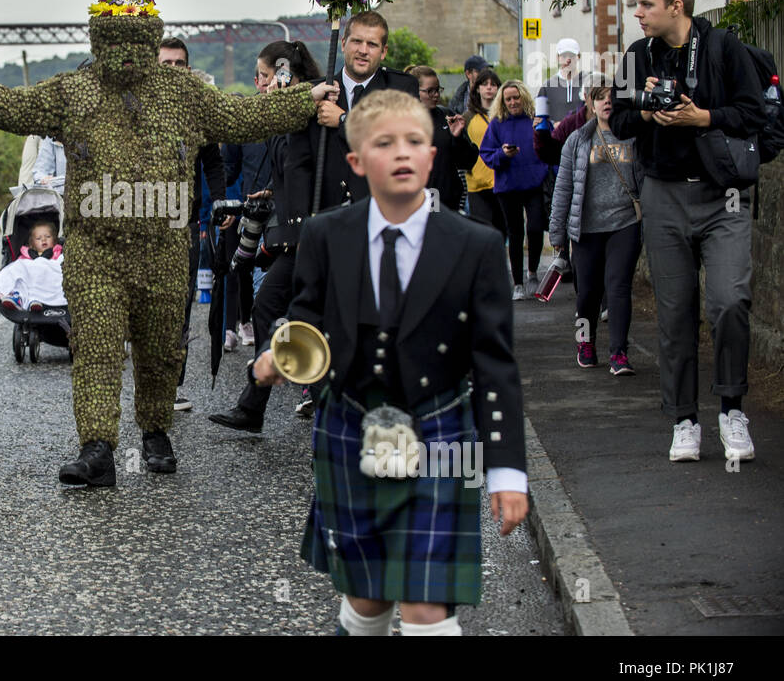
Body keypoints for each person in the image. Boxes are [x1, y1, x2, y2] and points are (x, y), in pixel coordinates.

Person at [0, 0, 326, 485]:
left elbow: (243, 116)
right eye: (113, 42)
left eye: (135, 43)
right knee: (96, 348)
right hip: (96, 252)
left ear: (150, 41)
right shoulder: (74, 92)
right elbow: (9, 105)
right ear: (98, 41)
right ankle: (98, 447)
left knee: (158, 350)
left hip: (164, 248)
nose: (125, 55)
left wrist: (307, 97)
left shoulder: (185, 93)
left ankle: (155, 430)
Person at [252, 89, 527, 636]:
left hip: (442, 428)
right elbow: (307, 315)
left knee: (427, 605)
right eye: (384, 143)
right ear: (357, 162)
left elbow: (496, 365)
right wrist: (280, 352)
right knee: (370, 598)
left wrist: (507, 470)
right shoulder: (327, 234)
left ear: (431, 156)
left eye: (415, 142)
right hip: (351, 424)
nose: (402, 153)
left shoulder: (477, 246)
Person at [610, 0, 766, 464]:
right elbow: (619, 117)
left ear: (676, 6)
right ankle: (684, 420)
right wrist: (651, 112)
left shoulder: (724, 49)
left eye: (646, 4)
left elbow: (753, 113)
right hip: (664, 195)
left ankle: (731, 409)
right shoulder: (637, 55)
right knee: (675, 314)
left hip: (722, 197)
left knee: (728, 303)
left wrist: (703, 116)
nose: (638, 13)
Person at [208, 39, 324, 432]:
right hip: (289, 238)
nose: (260, 84)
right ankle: (254, 406)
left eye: (264, 76)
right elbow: (292, 169)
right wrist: (272, 193)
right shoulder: (279, 116)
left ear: (284, 73)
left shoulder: (312, 108)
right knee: (267, 309)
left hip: (316, 235)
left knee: (303, 317)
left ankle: (319, 398)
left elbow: (317, 168)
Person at [285, 11, 420, 219]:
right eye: (356, 41)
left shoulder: (401, 88)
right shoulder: (313, 92)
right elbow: (297, 166)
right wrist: (301, 227)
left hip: (381, 214)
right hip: (324, 217)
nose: (363, 51)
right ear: (343, 44)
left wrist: (343, 120)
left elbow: (398, 145)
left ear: (383, 52)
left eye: (372, 44)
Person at [548, 83, 643, 373]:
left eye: (613, 98)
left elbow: (645, 180)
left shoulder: (634, 138)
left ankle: (619, 353)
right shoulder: (578, 140)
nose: (607, 103)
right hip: (587, 229)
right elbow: (563, 187)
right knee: (586, 294)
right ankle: (584, 342)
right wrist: (557, 233)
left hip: (624, 223)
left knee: (618, 288)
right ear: (590, 102)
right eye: (601, 98)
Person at [157, 37, 227, 411]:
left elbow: (213, 163)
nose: (171, 71)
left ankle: (173, 385)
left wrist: (219, 202)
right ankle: (151, 379)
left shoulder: (199, 109)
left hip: (184, 221)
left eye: (178, 64)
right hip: (143, 221)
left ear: (188, 68)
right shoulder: (138, 108)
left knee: (181, 302)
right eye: (164, 64)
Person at [479, 79, 549, 299]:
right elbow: (486, 153)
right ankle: (518, 283)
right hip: (508, 186)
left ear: (523, 97)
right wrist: (502, 154)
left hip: (535, 183)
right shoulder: (497, 124)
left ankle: (533, 271)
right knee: (515, 233)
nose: (512, 102)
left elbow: (551, 143)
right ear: (503, 101)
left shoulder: (534, 120)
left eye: (516, 97)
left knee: (536, 228)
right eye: (508, 99)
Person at [412, 64, 479, 211]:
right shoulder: (401, 121)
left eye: (438, 90)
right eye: (430, 91)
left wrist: (458, 137)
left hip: (448, 200)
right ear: (414, 91)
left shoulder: (446, 116)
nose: (436, 95)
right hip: (415, 200)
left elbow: (468, 162)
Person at [462, 68, 505, 233]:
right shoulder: (467, 117)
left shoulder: (503, 116)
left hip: (501, 181)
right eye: (485, 84)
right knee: (482, 230)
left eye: (493, 85)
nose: (489, 88)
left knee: (502, 231)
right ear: (477, 88)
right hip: (477, 184)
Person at [0, 221, 65, 310]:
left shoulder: (57, 253)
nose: (43, 240)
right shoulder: (26, 255)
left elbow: (59, 266)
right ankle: (18, 297)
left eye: (48, 237)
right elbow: (20, 269)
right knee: (19, 269)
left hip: (48, 280)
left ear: (55, 240)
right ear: (32, 243)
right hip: (31, 280)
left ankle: (37, 300)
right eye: (38, 238)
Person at [537, 38, 587, 124]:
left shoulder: (588, 82)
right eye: (563, 56)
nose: (568, 60)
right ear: (557, 57)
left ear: (578, 56)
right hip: (556, 136)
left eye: (571, 56)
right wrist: (553, 125)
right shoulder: (547, 86)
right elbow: (539, 119)